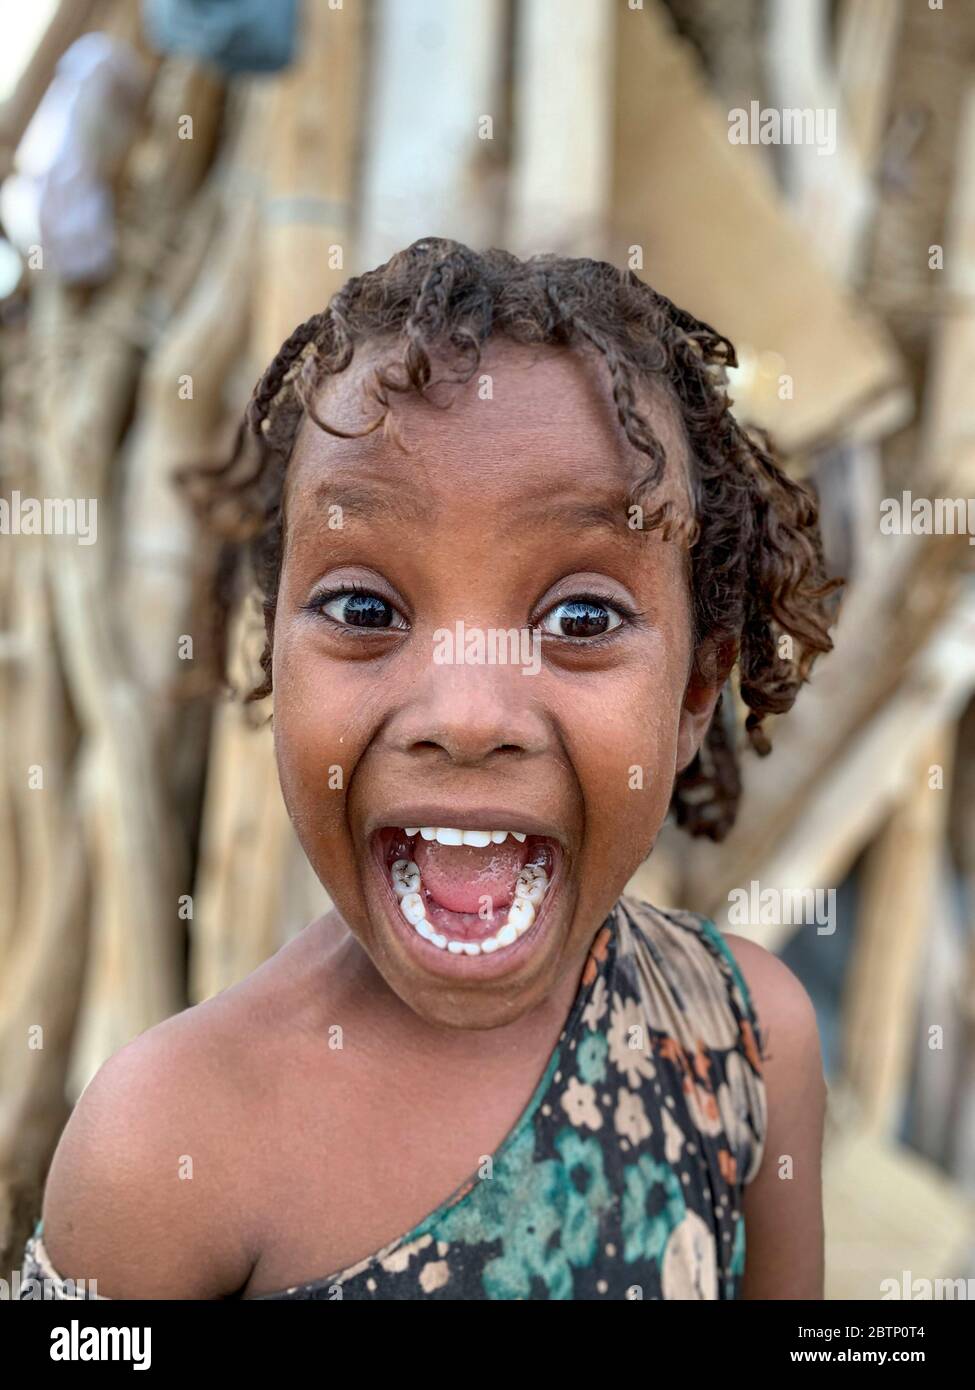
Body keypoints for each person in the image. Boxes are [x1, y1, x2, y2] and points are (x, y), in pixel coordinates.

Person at [21, 238, 835, 1300]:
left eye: (580, 618)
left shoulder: (744, 1039)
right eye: (367, 610)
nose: (465, 713)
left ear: (694, 692)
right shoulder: (170, 1147)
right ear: (276, 661)